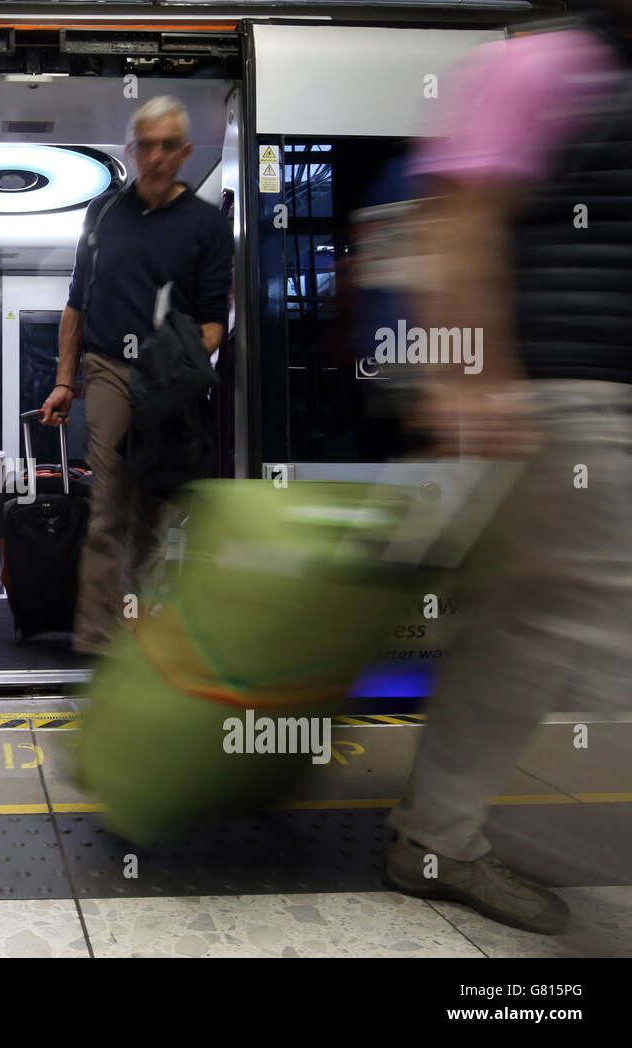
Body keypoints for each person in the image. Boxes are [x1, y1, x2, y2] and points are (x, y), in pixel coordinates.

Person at [384, 3, 632, 935]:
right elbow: (458, 212)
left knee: (523, 632)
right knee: (563, 622)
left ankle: (437, 835)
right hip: (566, 400)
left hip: (584, 401)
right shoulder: (550, 66)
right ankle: (436, 835)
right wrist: (470, 374)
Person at [39, 96, 233, 656]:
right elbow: (76, 306)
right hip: (107, 372)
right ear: (131, 150)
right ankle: (98, 642)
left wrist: (172, 363)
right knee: (110, 504)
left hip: (168, 384)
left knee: (153, 512)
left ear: (186, 153)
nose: (155, 157)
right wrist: (63, 382)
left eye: (168, 146)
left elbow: (214, 324)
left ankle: (143, 636)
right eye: (145, 145)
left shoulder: (205, 226)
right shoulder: (102, 214)